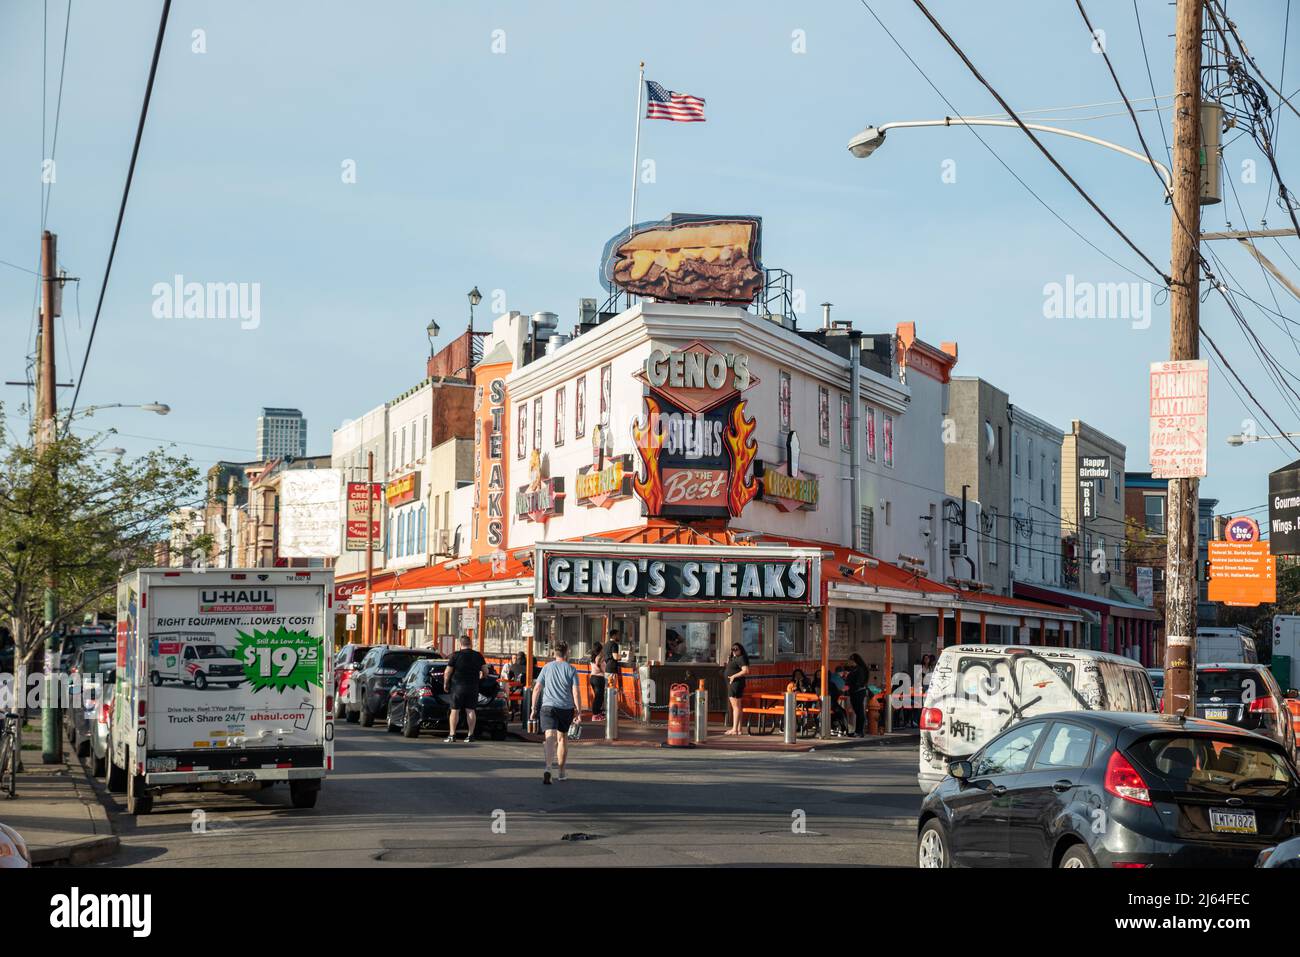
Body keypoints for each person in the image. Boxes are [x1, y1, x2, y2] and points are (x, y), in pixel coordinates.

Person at [530, 641, 582, 784]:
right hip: (565, 708)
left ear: (554, 653)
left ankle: (548, 767)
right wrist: (578, 710)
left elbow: (537, 688)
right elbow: (576, 692)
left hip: (547, 707)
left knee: (549, 737)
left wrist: (533, 708)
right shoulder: (571, 669)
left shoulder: (546, 668)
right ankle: (561, 772)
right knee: (562, 739)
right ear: (567, 653)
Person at [444, 635, 486, 743]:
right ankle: (470, 735)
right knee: (471, 710)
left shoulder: (455, 655)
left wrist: (446, 683)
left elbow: (447, 672)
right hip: (472, 686)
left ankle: (452, 735)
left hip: (457, 686)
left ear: (460, 644)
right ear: (470, 644)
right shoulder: (478, 655)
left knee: (455, 710)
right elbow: (485, 671)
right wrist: (481, 677)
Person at [723, 642, 751, 735]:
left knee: (735, 707)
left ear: (740, 650)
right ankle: (739, 729)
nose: (734, 651)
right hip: (735, 683)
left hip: (735, 684)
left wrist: (734, 676)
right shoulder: (735, 658)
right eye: (733, 649)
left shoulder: (741, 658)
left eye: (736, 649)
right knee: (738, 706)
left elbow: (746, 670)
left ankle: (734, 729)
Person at [845, 653, 869, 737]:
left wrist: (850, 686)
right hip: (855, 692)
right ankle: (857, 731)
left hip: (857, 692)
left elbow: (858, 682)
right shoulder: (856, 669)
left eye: (851, 661)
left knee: (859, 712)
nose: (849, 662)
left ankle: (859, 731)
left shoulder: (859, 670)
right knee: (858, 711)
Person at [588, 641, 606, 719]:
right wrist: (602, 670)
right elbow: (598, 663)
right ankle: (596, 713)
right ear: (600, 649)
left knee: (598, 696)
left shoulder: (593, 656)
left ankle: (597, 712)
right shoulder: (599, 656)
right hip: (599, 678)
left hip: (593, 678)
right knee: (599, 697)